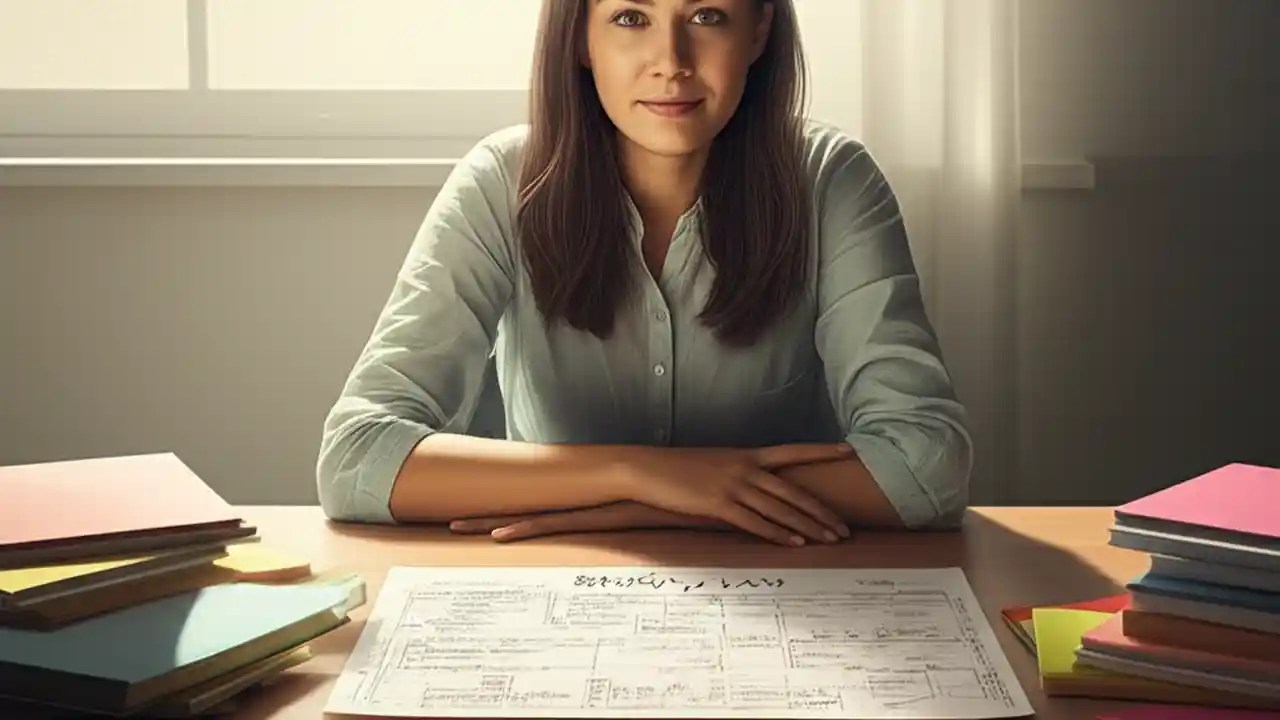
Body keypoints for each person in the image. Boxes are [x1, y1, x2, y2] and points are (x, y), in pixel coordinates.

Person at [316, 0, 971, 546]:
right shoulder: (500, 184)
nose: (671, 61)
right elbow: (356, 459)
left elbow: (927, 462)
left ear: (758, 31)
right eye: (631, 18)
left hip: (798, 586)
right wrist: (637, 474)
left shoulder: (832, 181)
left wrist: (644, 508)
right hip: (553, 585)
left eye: (707, 16)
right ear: (581, 38)